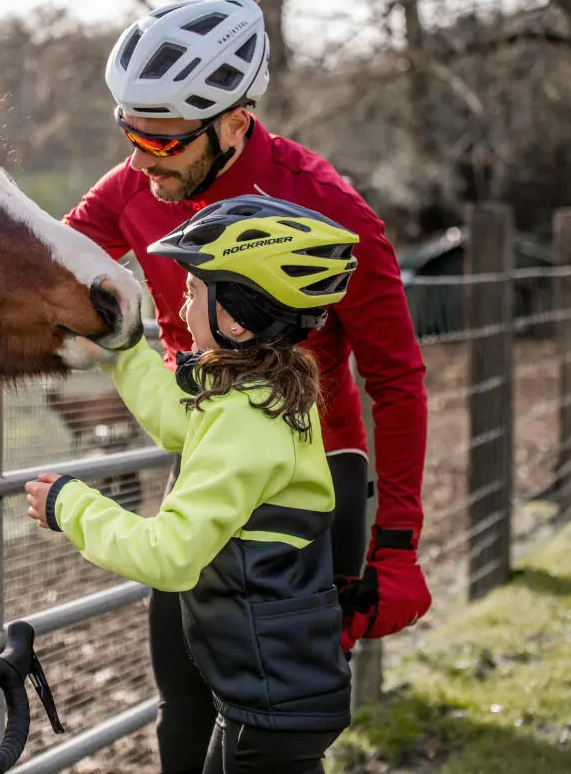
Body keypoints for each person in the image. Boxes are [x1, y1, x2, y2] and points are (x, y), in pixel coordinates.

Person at [62, 0, 431, 772]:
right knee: (184, 702)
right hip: (208, 450)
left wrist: (396, 543)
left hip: (313, 482)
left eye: (159, 139)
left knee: (273, 722)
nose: (137, 159)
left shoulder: (330, 207)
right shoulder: (137, 184)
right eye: (128, 132)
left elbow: (395, 380)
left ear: (234, 122)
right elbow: (50, 267)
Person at [27, 195, 359, 773]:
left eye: (195, 289)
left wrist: (72, 506)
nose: (181, 302)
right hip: (273, 691)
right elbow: (182, 424)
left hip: (270, 702)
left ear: (235, 316)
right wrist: (125, 352)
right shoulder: (260, 395)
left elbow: (171, 556)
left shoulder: (246, 419)